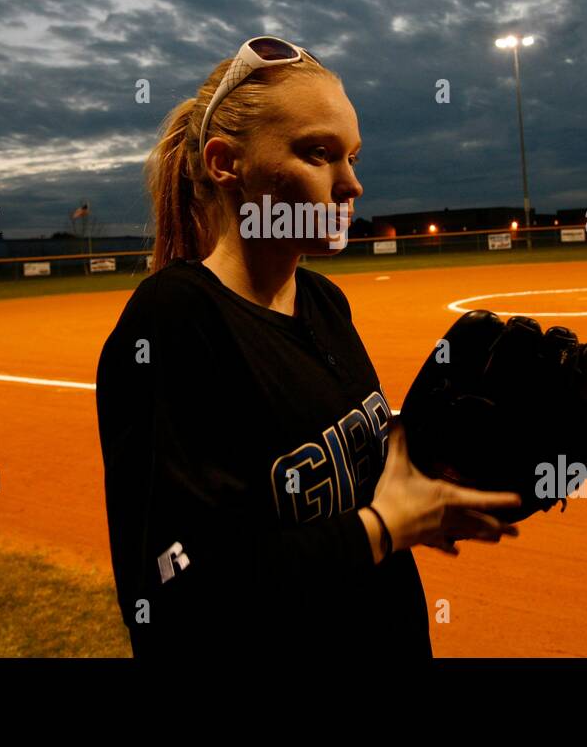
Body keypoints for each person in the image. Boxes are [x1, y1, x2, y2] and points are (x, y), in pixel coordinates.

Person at [95, 36, 521, 659]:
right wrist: (381, 529)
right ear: (224, 163)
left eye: (352, 156)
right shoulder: (175, 320)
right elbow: (172, 590)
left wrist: (437, 470)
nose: (351, 185)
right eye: (318, 154)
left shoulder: (323, 300)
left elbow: (334, 480)